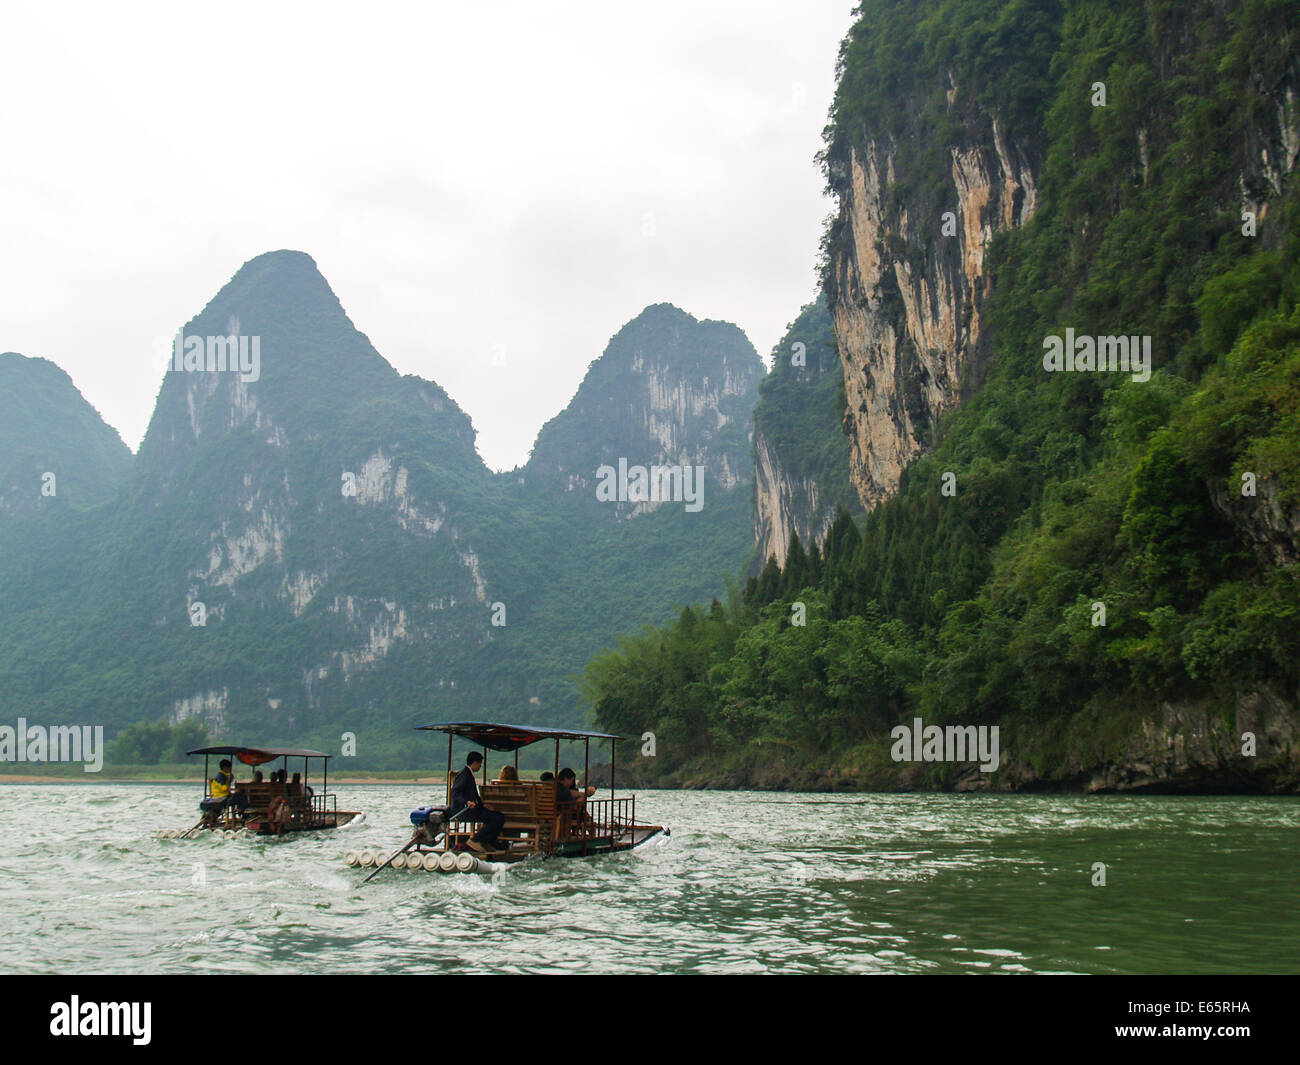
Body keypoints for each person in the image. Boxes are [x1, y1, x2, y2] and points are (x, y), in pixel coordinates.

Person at [450, 751, 505, 852]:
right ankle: (476, 840)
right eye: (480, 764)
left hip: (473, 809)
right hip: (465, 811)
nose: (480, 766)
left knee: (499, 816)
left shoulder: (469, 774)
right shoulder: (465, 774)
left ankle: (486, 842)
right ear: (475, 763)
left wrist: (483, 806)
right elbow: (455, 792)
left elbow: (475, 796)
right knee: (497, 819)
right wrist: (466, 802)